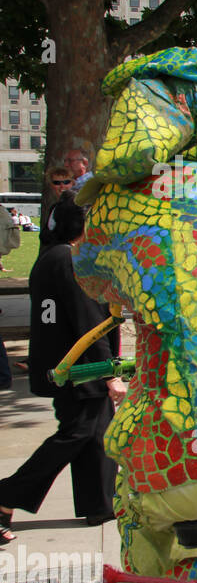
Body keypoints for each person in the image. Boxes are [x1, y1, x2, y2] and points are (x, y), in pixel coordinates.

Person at [0, 194, 124, 542]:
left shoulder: (49, 258)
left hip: (60, 362)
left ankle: (99, 504)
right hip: (76, 367)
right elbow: (88, 323)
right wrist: (108, 373)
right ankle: (8, 494)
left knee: (95, 434)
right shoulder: (71, 261)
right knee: (79, 433)